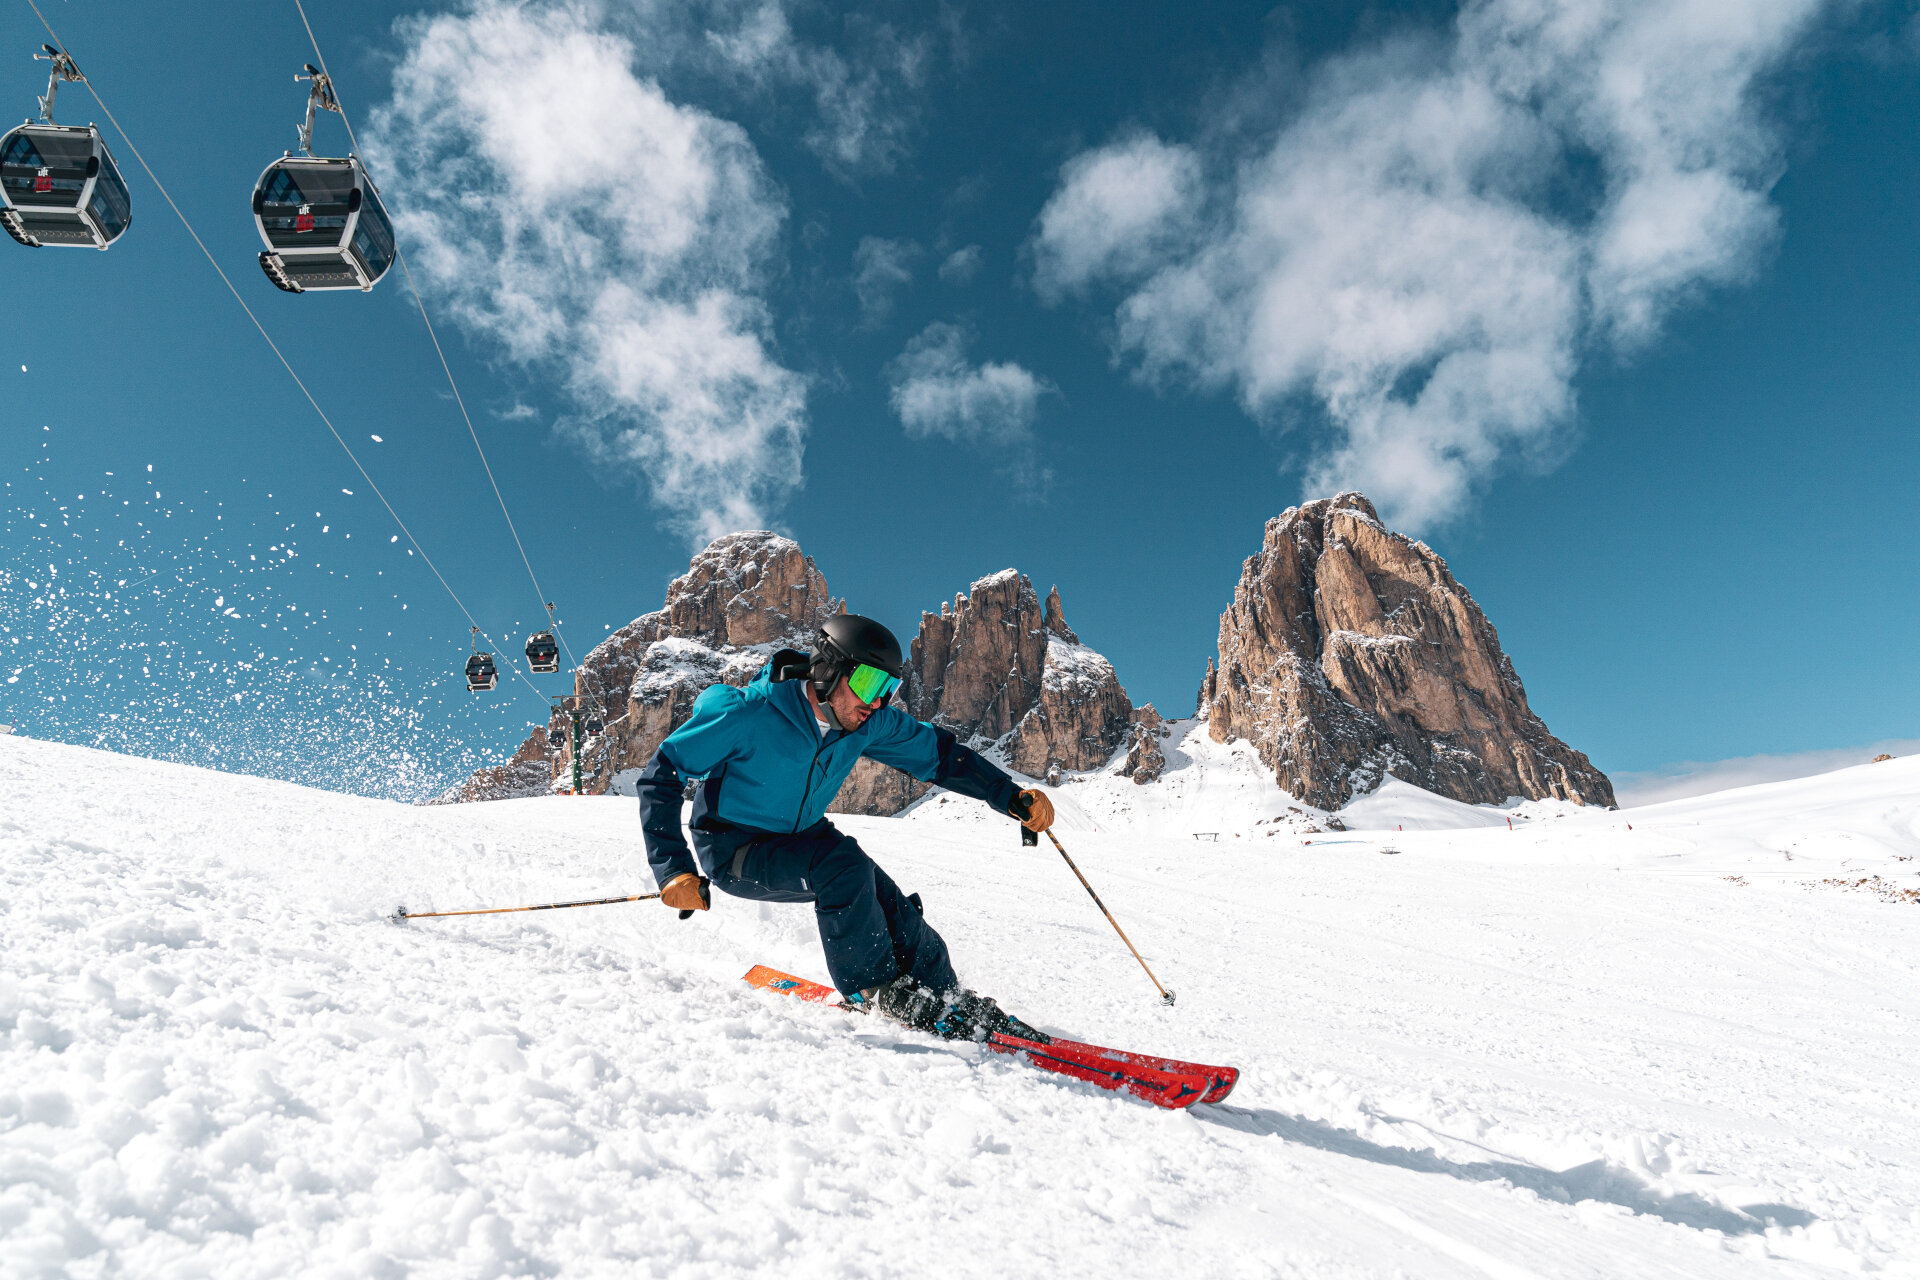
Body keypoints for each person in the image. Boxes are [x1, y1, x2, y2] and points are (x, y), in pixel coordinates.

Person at [637, 614, 1056, 1040]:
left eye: (887, 689)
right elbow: (663, 773)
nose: (876, 702)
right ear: (828, 670)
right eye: (870, 684)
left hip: (804, 837)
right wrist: (672, 868)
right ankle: (873, 990)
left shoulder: (866, 722)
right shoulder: (748, 713)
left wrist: (1008, 796)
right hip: (734, 847)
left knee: (883, 896)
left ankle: (944, 993)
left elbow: (940, 756)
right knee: (842, 866)